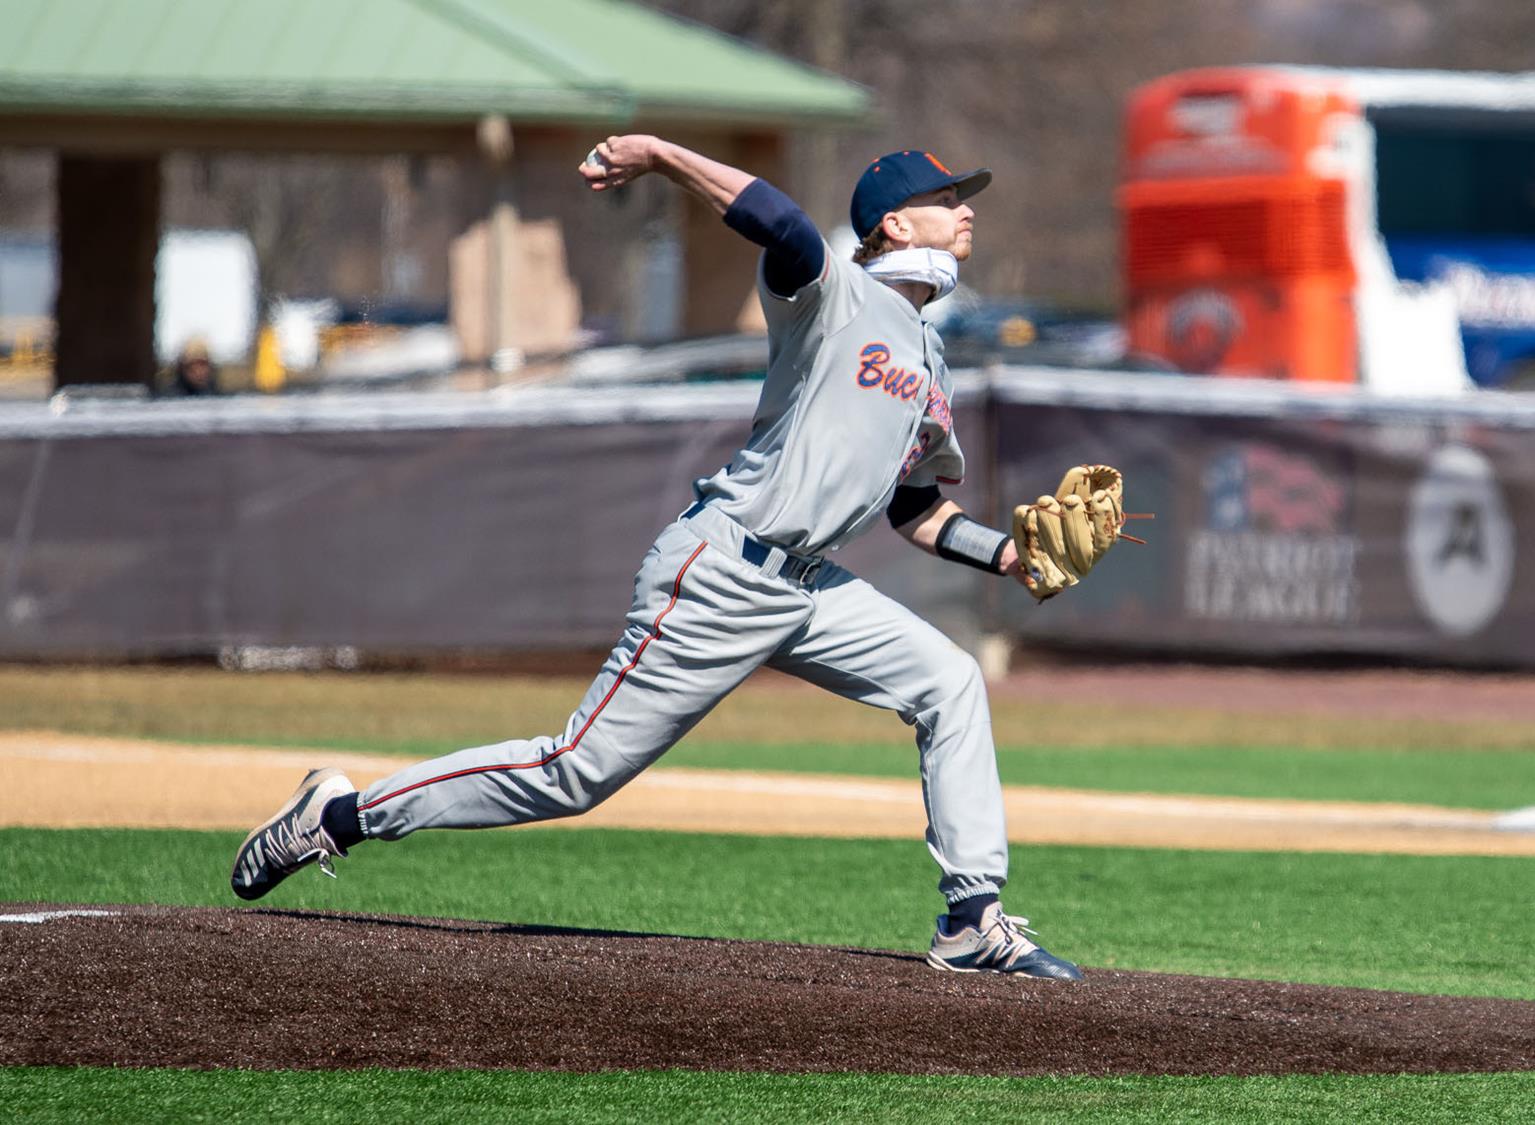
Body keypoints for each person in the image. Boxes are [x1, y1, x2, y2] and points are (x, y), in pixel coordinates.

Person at [228, 138, 1082, 981]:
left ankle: (973, 920)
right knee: (573, 772)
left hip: (810, 587)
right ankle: (339, 815)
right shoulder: (836, 294)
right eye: (948, 198)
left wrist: (1009, 556)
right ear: (896, 224)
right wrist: (662, 155)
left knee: (951, 680)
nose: (966, 210)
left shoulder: (930, 353)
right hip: (721, 570)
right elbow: (781, 225)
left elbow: (916, 510)